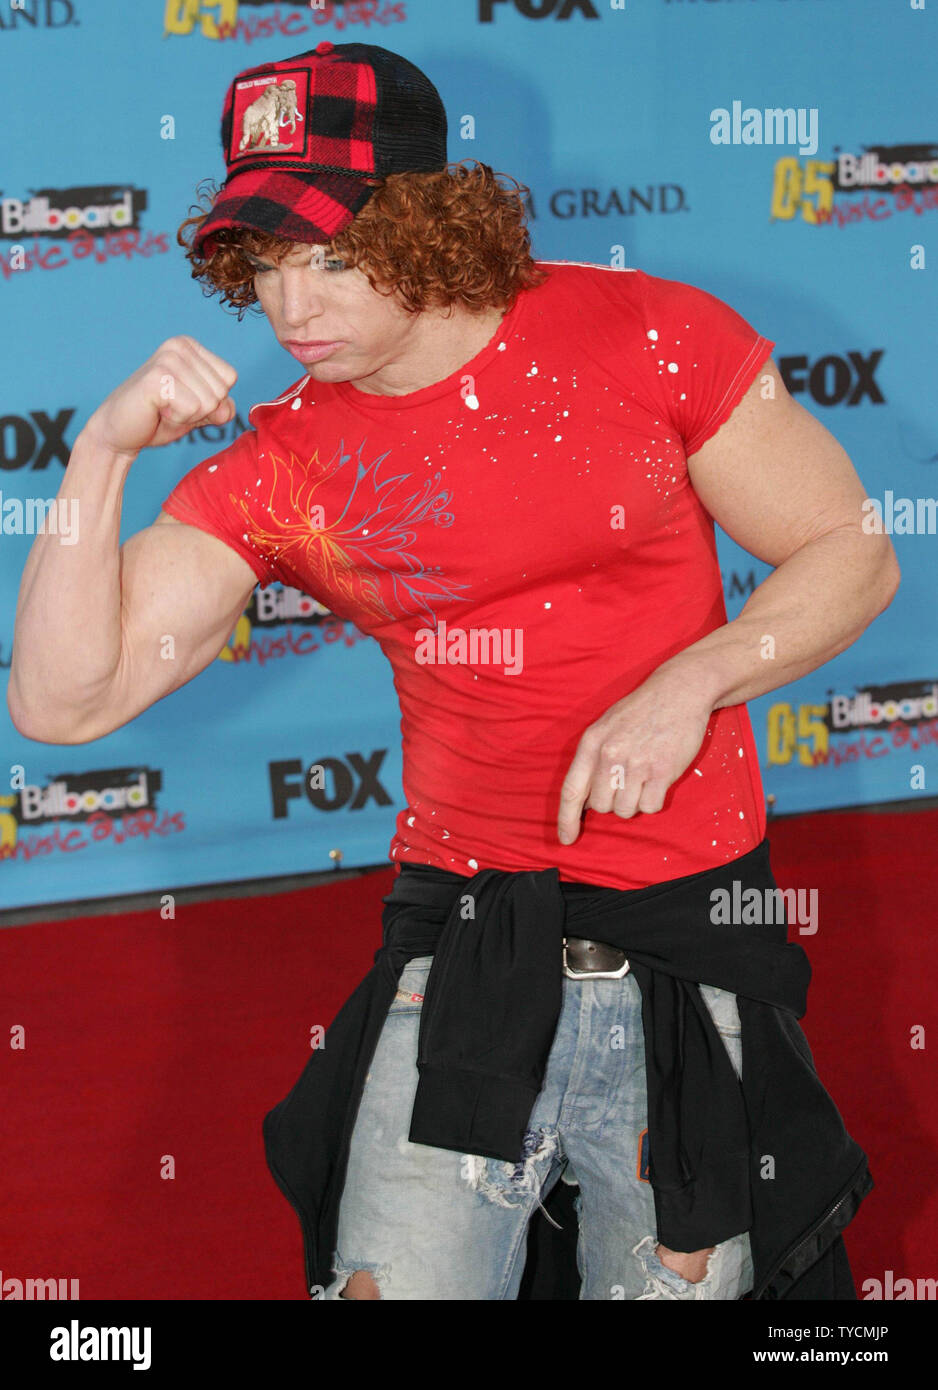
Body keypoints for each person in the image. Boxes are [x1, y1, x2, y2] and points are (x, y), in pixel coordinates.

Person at [8, 42, 898, 1302]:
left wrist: (690, 680)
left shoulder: (644, 336)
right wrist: (97, 455)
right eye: (262, 263)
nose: (291, 305)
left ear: (428, 221)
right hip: (463, 945)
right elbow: (61, 699)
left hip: (685, 938)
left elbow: (850, 553)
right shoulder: (290, 469)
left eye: (327, 253)